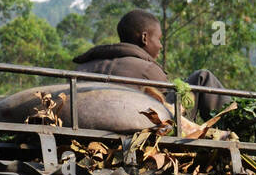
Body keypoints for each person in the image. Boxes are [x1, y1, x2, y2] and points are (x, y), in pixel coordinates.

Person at [71, 9, 228, 122]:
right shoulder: (147, 69)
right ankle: (238, 129)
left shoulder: (82, 68)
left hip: (89, 127)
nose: (160, 46)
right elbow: (167, 109)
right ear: (145, 38)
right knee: (202, 77)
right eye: (159, 39)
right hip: (138, 130)